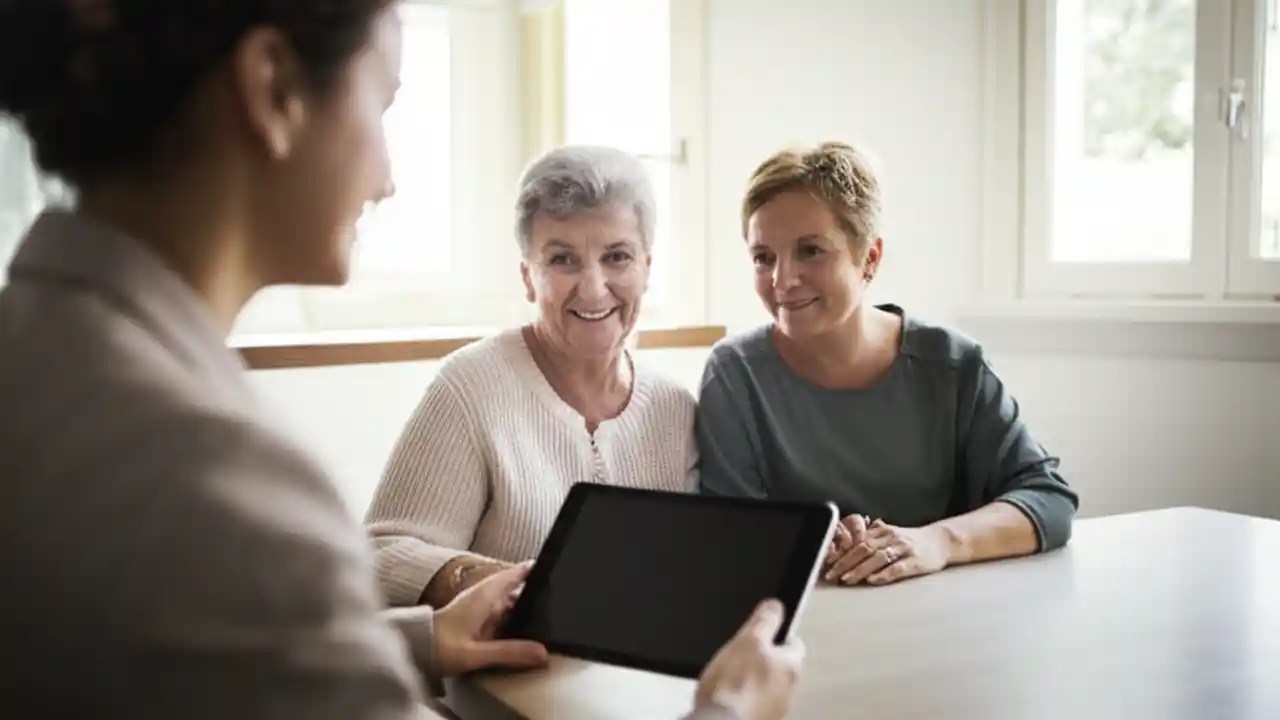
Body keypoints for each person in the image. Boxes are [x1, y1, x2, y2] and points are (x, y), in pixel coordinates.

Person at [0, 3, 799, 718]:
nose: (388, 178)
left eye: (618, 257)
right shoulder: (221, 484)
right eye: (383, 102)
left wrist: (421, 641)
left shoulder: (45, 363)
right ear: (274, 88)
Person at [696, 142, 1079, 588]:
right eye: (764, 257)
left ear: (870, 258)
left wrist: (937, 542)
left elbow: (1048, 501)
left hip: (943, 620)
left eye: (810, 251)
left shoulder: (953, 366)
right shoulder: (735, 373)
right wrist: (820, 541)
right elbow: (727, 535)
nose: (782, 280)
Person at [365, 145, 697, 609]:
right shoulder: (470, 387)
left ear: (647, 268)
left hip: (640, 678)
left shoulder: (676, 408)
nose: (594, 287)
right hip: (504, 678)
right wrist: (522, 585)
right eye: (562, 260)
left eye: (617, 257)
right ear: (527, 277)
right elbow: (379, 556)